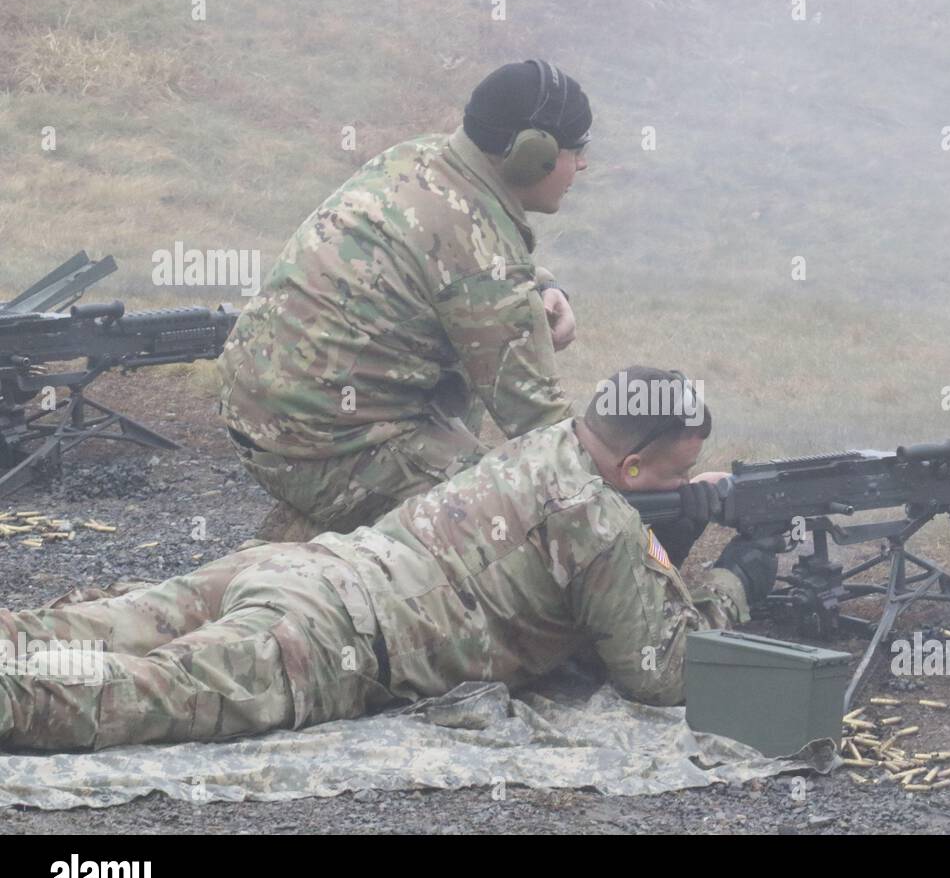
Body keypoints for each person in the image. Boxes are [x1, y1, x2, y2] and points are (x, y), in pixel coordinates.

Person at [0, 368, 779, 752]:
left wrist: (673, 508)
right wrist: (733, 579)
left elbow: (602, 531)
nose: (686, 486)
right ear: (634, 468)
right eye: (678, 474)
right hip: (328, 642)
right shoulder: (601, 524)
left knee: (81, 629)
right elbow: (658, 672)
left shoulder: (547, 448)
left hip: (296, 568)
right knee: (138, 692)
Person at [217, 60, 591, 540]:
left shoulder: (420, 158)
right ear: (531, 153)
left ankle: (333, 530)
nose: (582, 164)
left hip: (263, 418)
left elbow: (454, 260)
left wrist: (542, 285)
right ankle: (338, 557)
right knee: (518, 526)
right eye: (575, 149)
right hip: (321, 453)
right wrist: (637, 497)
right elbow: (542, 430)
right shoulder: (476, 251)